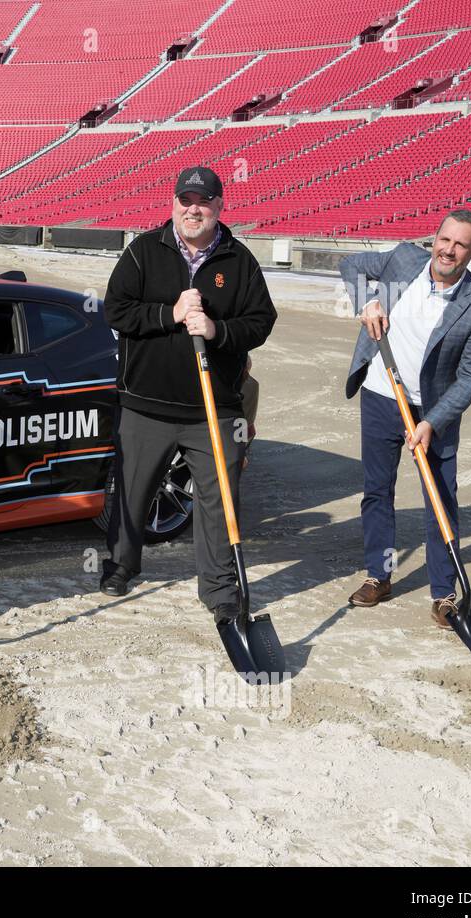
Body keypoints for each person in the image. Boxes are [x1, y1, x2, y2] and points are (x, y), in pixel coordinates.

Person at [100, 166, 277, 629]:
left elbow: (261, 322)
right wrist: (169, 313)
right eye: (185, 200)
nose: (192, 209)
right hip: (146, 404)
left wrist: (218, 331)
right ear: (173, 203)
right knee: (132, 491)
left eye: (203, 201)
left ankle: (219, 588)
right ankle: (121, 564)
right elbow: (116, 310)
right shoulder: (143, 251)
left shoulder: (240, 261)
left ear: (219, 206)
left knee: (219, 502)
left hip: (213, 410)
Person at [340, 209, 471, 628]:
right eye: (444, 239)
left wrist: (433, 421)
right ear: (435, 238)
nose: (448, 250)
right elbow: (350, 263)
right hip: (381, 396)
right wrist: (368, 301)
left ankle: (444, 593)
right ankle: (379, 575)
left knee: (440, 498)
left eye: (461, 244)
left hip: (433, 411)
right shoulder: (403, 260)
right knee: (377, 491)